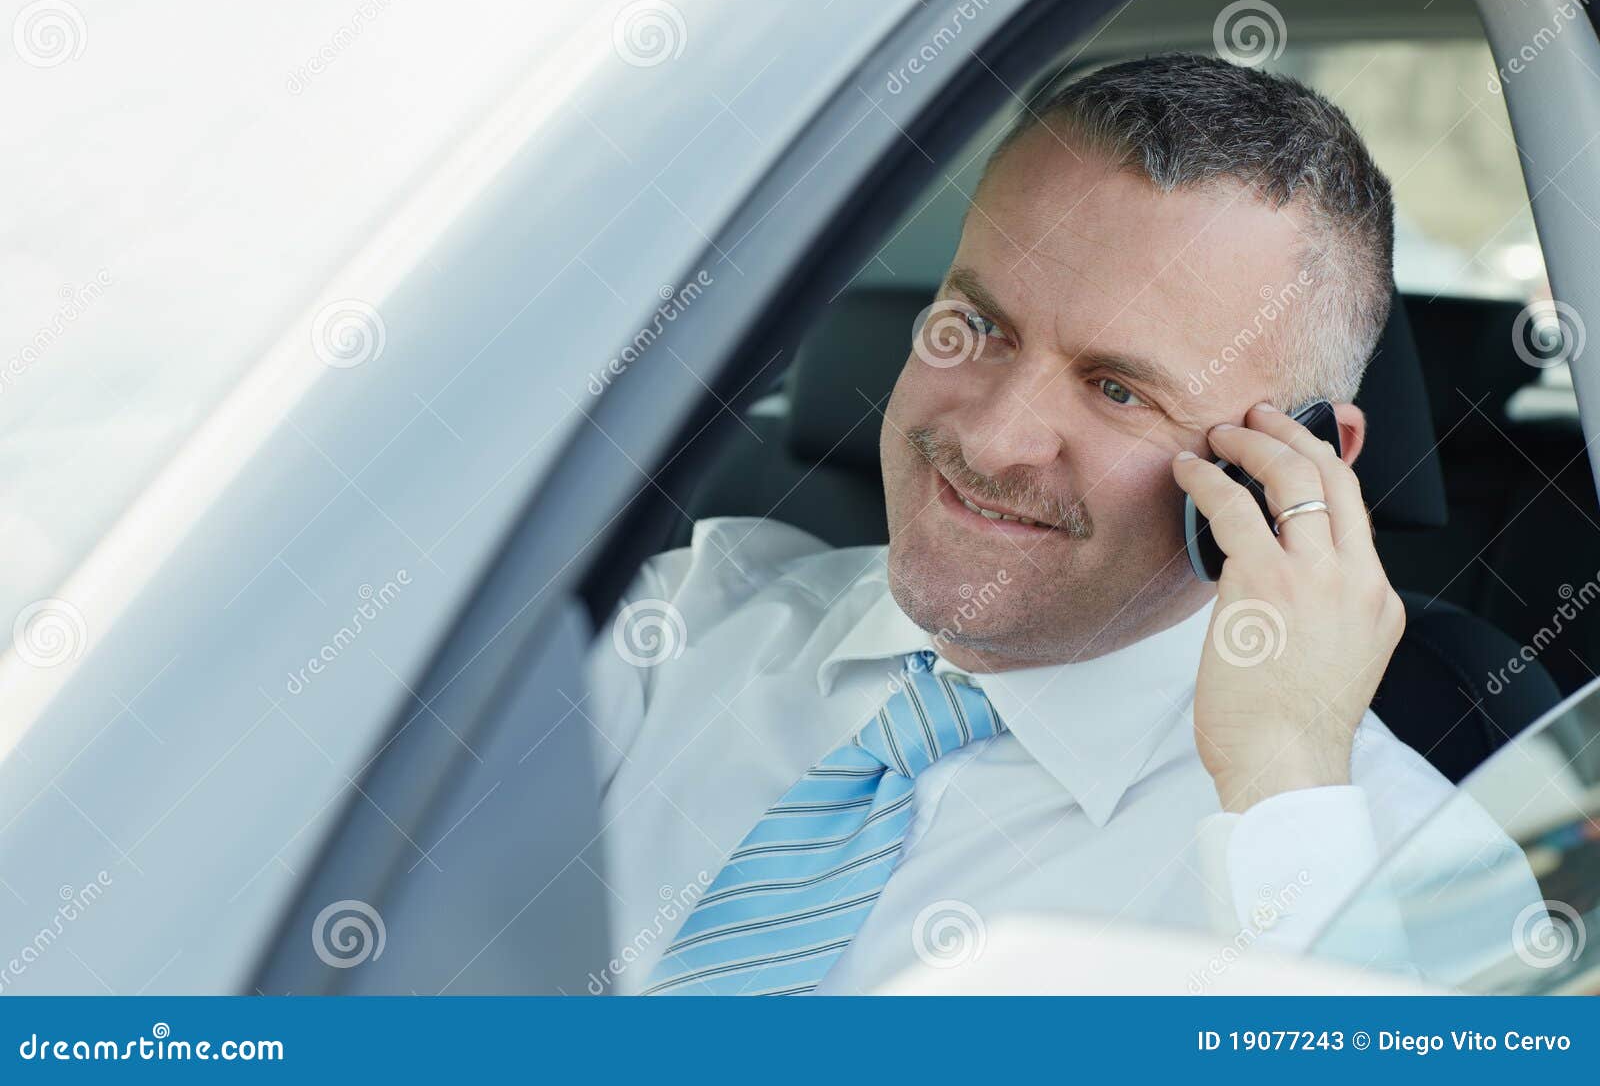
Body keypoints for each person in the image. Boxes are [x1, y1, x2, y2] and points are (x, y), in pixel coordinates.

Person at [581, 53, 1530, 995]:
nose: (995, 442)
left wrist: (1283, 792)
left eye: (1118, 389)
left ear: (1298, 463)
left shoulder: (1400, 869)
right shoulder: (670, 632)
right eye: (979, 326)